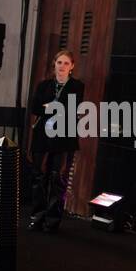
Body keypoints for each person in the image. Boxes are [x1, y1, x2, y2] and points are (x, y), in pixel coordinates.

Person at [27, 48, 86, 232]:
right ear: (54, 64)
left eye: (66, 63)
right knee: (39, 178)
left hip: (64, 139)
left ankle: (52, 222)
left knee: (58, 178)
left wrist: (51, 106)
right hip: (43, 138)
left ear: (72, 67)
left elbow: (70, 109)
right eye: (59, 62)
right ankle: (37, 217)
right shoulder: (43, 85)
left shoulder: (77, 86)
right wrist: (54, 107)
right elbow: (35, 107)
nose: (62, 66)